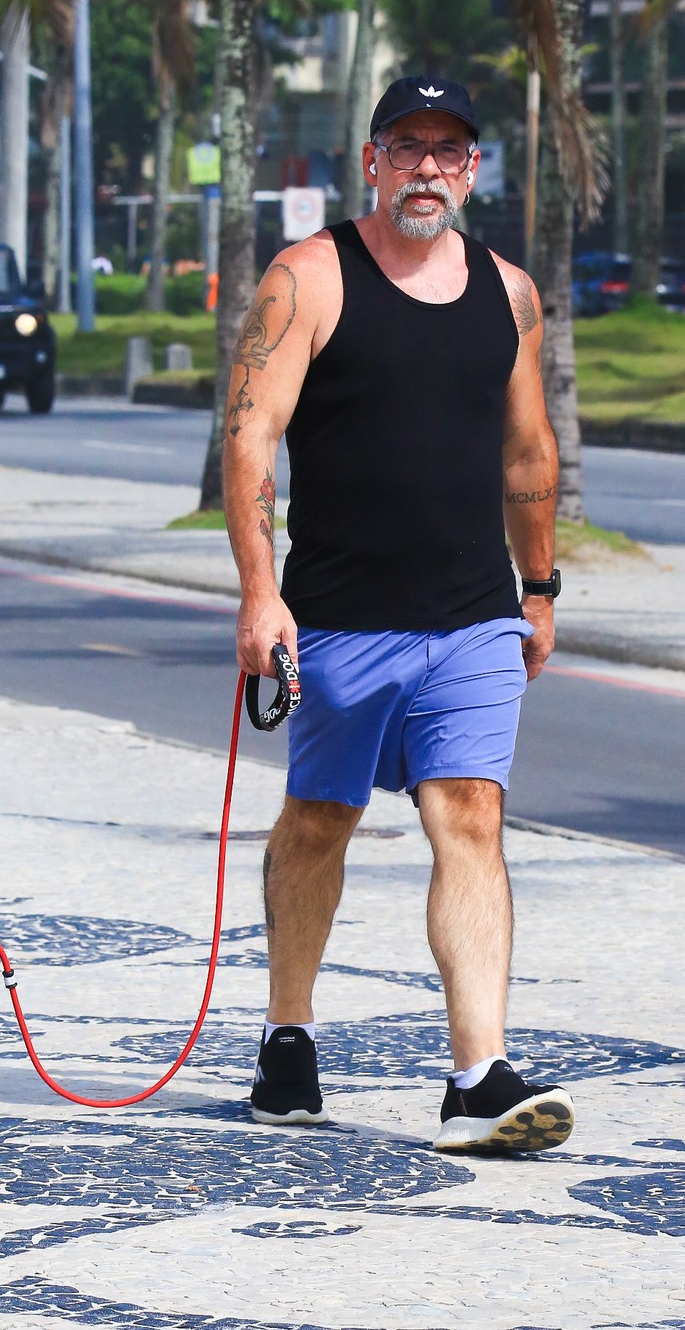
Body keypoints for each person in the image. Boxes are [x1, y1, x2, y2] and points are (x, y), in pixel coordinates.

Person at [222, 75, 574, 1155]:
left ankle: (479, 1074)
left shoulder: (510, 293)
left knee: (470, 813)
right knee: (320, 822)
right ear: (372, 160)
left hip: (472, 616)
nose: (429, 166)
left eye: (450, 149)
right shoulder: (309, 278)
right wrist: (260, 590)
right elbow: (249, 437)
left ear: (474, 169)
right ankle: (288, 1034)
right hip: (335, 620)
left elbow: (527, 451)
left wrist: (540, 589)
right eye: (408, 145)